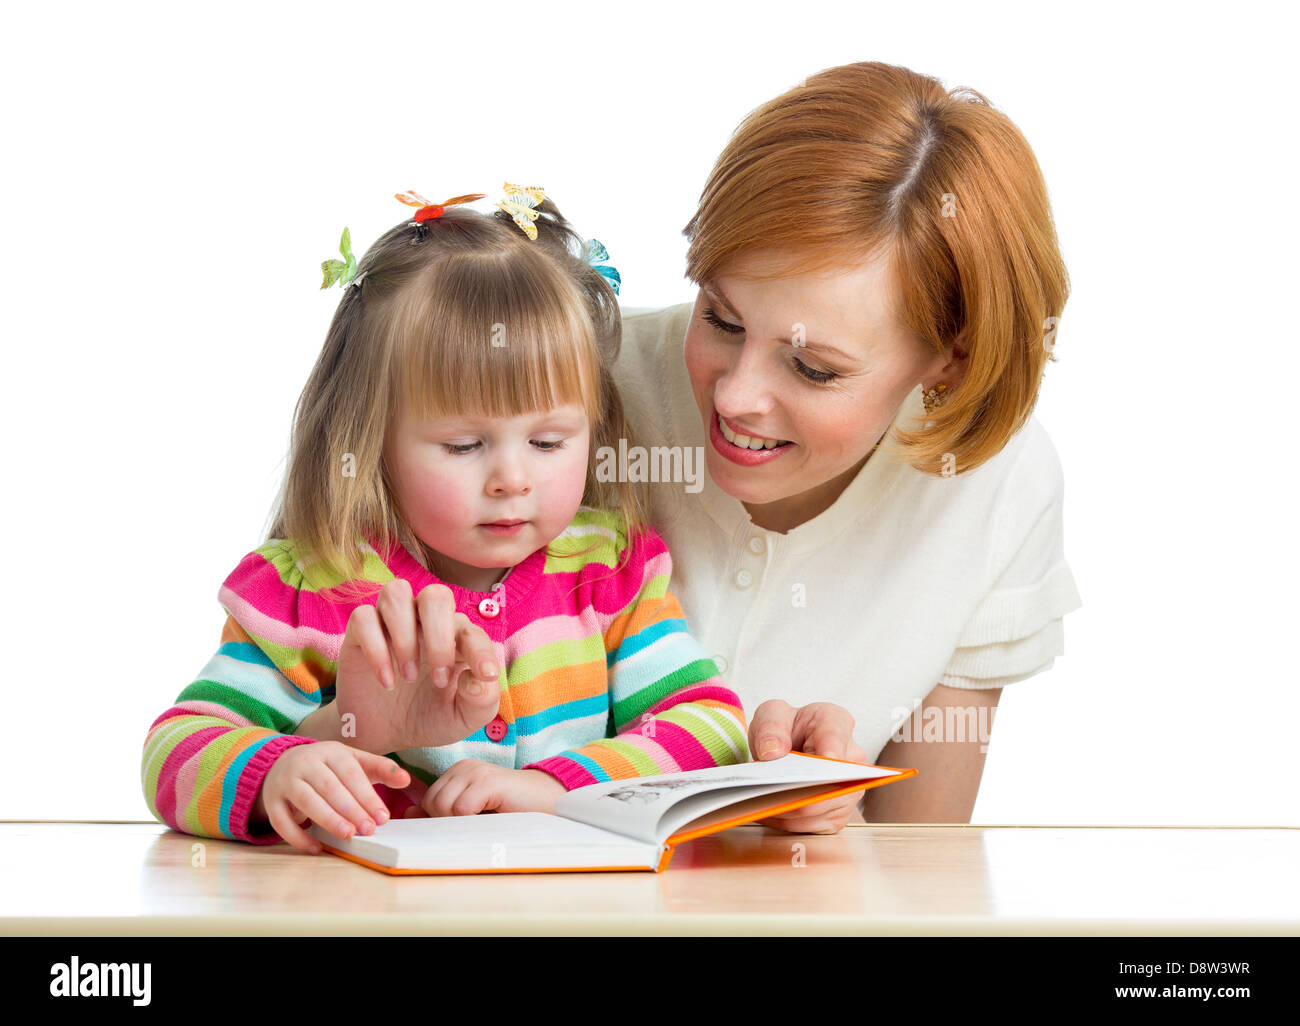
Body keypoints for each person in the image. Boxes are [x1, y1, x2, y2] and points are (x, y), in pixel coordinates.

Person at [140, 187, 749, 854]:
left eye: (548, 442)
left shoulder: (609, 575)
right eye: (463, 446)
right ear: (371, 438)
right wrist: (307, 751)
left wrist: (556, 789)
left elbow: (711, 732)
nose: (512, 478)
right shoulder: (312, 587)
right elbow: (174, 754)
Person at [609, 61, 1083, 832]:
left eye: (812, 367)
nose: (734, 397)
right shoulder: (568, 389)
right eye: (721, 318)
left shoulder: (996, 486)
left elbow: (919, 863)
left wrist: (820, 816)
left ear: (952, 357)